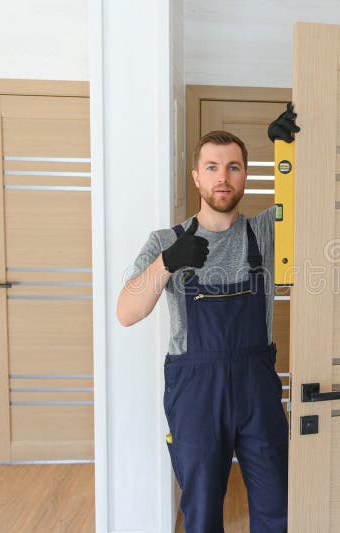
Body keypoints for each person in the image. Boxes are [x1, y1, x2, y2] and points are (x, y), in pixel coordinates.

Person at [116, 106, 300, 532]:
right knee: (200, 513)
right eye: (212, 167)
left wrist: (288, 150)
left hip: (257, 387)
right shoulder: (166, 241)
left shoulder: (267, 233)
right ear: (197, 177)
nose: (223, 177)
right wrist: (167, 262)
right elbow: (127, 313)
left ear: (245, 176)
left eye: (233, 167)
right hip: (196, 394)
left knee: (279, 508)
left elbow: (306, 199)